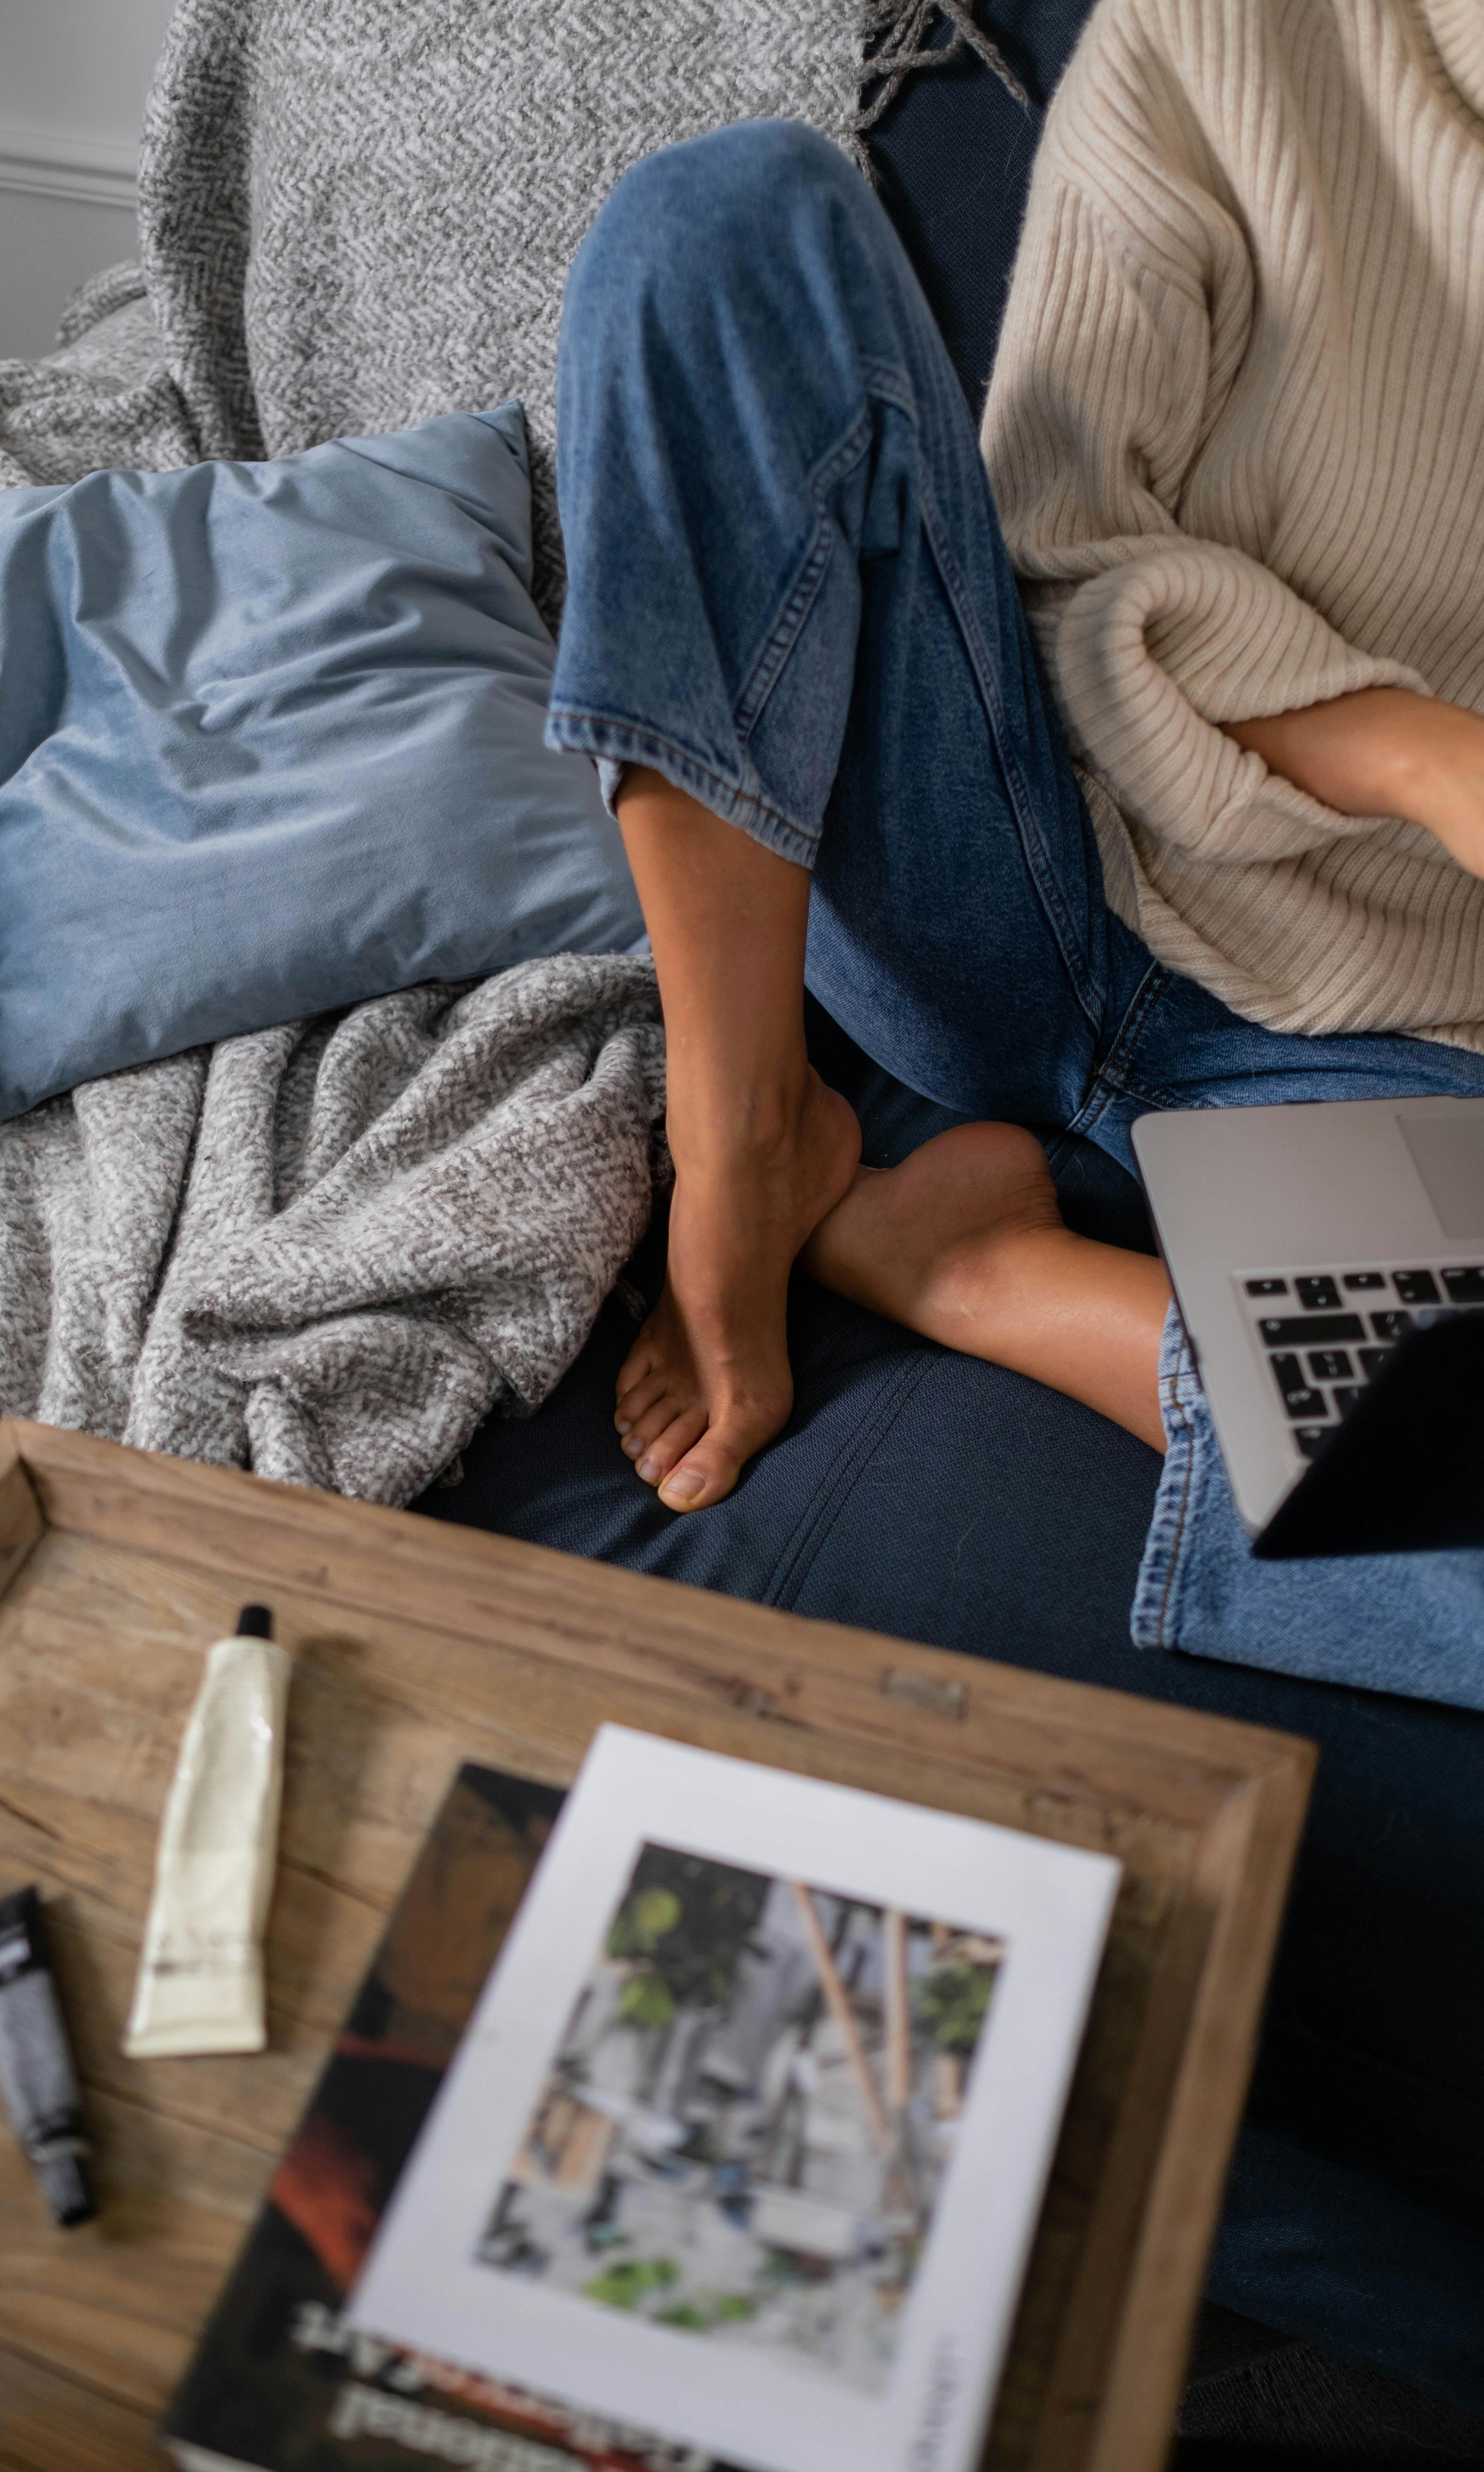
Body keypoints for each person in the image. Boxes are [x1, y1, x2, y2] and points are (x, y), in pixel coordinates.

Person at [541, 0, 1484, 1675]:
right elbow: (1067, 555)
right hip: (1031, 865)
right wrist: (1423, 758)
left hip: (1405, 1058)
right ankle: (745, 1122)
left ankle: (977, 1272)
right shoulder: (1228, 33)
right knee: (722, 229)